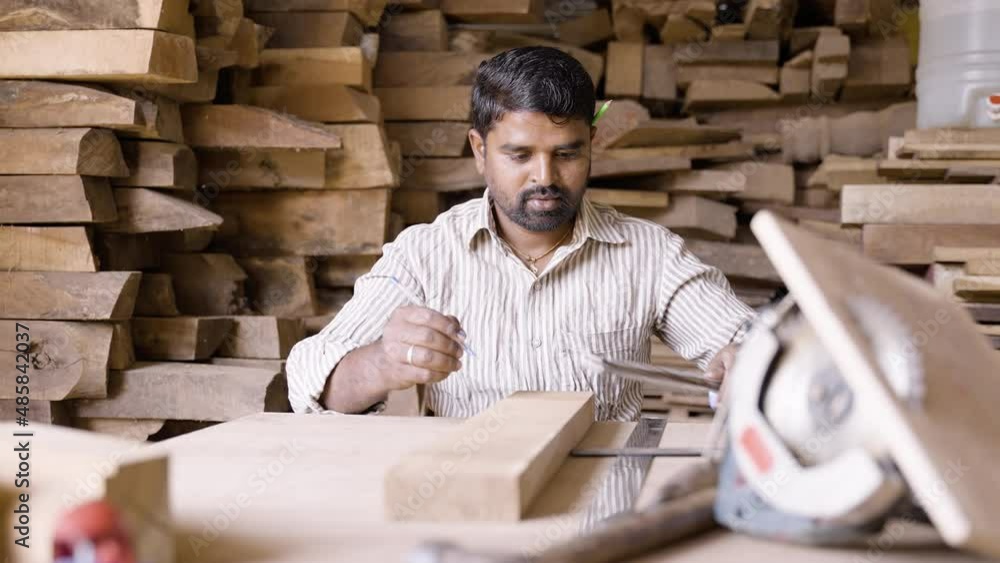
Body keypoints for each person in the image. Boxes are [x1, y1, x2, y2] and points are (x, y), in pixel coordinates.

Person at [286, 46, 756, 421]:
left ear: (591, 146)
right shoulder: (425, 255)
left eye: (567, 154)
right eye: (519, 155)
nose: (545, 177)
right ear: (479, 149)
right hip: (472, 497)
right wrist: (382, 364)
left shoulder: (648, 254)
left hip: (605, 497)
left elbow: (753, 343)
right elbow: (308, 381)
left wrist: (749, 360)